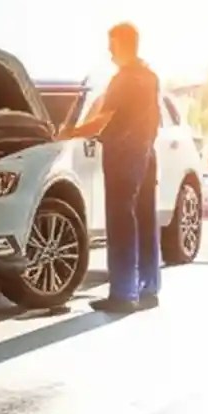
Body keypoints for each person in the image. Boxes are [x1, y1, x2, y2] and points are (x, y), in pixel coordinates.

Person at [59, 22, 161, 314]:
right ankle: (148, 289)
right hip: (146, 153)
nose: (109, 50)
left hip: (123, 154)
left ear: (124, 44)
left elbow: (102, 120)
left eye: (112, 44)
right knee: (145, 219)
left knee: (121, 222)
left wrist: (69, 133)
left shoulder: (123, 80)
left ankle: (123, 294)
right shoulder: (150, 77)